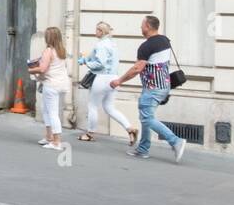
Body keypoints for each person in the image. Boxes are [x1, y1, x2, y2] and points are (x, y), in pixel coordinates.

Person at [112, 15, 186, 163]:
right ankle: (143, 149)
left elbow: (137, 68)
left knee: (147, 118)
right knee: (146, 117)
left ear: (147, 27)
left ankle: (176, 141)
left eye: (142, 25)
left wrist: (119, 80)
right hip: (164, 85)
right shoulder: (164, 40)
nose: (140, 27)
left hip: (153, 88)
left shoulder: (146, 47)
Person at [77, 21, 137, 145]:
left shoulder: (101, 45)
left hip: (102, 78)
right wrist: (87, 58)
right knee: (109, 107)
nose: (95, 32)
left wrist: (85, 62)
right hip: (113, 78)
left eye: (96, 30)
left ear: (101, 31)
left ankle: (90, 133)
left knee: (93, 106)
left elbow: (100, 63)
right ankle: (130, 128)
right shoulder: (113, 44)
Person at [31, 26, 72, 151]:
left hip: (51, 84)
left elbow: (43, 69)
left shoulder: (49, 51)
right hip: (60, 84)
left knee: (52, 113)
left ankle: (56, 142)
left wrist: (31, 69)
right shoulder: (61, 51)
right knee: (47, 111)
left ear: (48, 38)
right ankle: (49, 137)